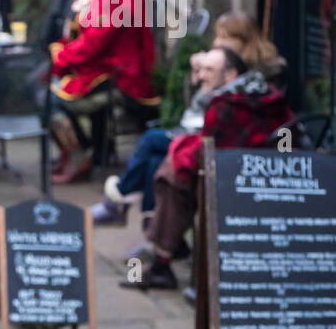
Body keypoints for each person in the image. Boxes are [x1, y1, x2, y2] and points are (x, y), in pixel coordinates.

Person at [121, 47, 295, 291]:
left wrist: (179, 149)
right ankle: (164, 248)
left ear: (231, 75)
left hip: (235, 185)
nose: (201, 75)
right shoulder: (265, 94)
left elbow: (209, 153)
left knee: (171, 170)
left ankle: (160, 255)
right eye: (200, 69)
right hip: (272, 179)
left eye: (209, 70)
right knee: (160, 164)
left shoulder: (225, 106)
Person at [93, 12, 287, 226]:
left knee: (150, 141)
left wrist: (211, 73)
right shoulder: (222, 61)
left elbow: (223, 108)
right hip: (203, 129)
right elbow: (196, 104)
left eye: (224, 37)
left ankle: (120, 196)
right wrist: (199, 74)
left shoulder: (258, 73)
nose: (217, 42)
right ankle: (154, 233)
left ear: (243, 40)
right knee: (154, 162)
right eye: (217, 36)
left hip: (226, 141)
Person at [48, 0, 160, 183]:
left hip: (117, 76)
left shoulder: (115, 0)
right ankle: (80, 151)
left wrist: (60, 58)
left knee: (51, 101)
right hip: (101, 67)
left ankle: (79, 154)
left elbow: (92, 46)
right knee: (44, 88)